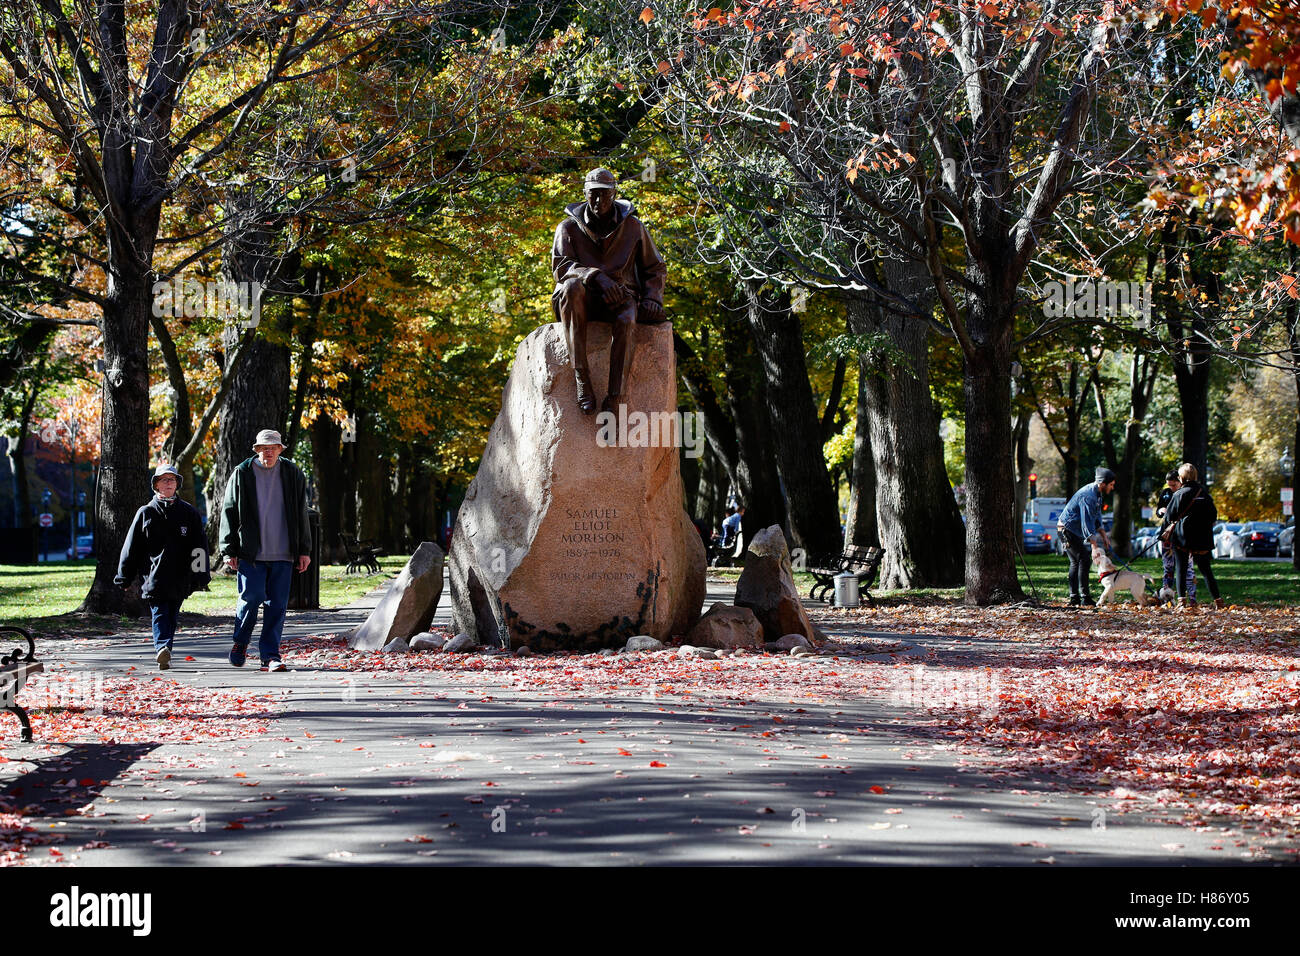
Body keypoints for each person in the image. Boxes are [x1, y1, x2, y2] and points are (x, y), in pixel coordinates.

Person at [552, 167, 667, 415]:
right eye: (593, 194)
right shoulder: (568, 228)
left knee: (627, 317)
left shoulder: (633, 227)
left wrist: (652, 299)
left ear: (614, 194)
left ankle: (615, 397)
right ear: (584, 193)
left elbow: (655, 267)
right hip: (580, 300)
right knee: (571, 286)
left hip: (619, 297)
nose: (598, 200)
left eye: (604, 194)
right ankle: (582, 377)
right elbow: (561, 267)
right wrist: (595, 276)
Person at [219, 429, 312, 672]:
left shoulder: (292, 473)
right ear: (256, 449)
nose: (268, 452)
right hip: (252, 553)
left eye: (273, 447)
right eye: (263, 448)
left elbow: (302, 512)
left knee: (277, 606)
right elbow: (229, 510)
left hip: (283, 552)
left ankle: (270, 656)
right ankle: (240, 642)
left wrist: (304, 549)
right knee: (250, 600)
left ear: (281, 449)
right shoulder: (242, 473)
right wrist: (228, 549)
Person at [115, 464, 211, 670]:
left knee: (172, 615)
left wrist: (201, 575)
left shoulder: (189, 513)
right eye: (164, 480)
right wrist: (124, 577)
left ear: (177, 484)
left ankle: (165, 648)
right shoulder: (146, 512)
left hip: (180, 576)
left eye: (172, 480)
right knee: (159, 612)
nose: (168, 483)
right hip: (153, 576)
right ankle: (162, 648)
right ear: (156, 485)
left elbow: (199, 546)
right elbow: (131, 548)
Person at [1160, 462, 1223, 609]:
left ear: (1181, 477)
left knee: (1181, 568)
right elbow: (1213, 515)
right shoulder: (1204, 494)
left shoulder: (1179, 494)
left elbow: (1169, 517)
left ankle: (1182, 601)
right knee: (1206, 569)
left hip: (1183, 536)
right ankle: (1218, 600)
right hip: (1202, 537)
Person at [1058, 467, 1116, 607]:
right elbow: (1086, 522)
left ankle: (1080, 597)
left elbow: (1096, 516)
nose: (1112, 488)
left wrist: (1103, 535)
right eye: (1111, 485)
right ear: (1103, 483)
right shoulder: (1088, 496)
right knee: (1081, 559)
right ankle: (1079, 597)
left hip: (1075, 531)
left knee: (1081, 560)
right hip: (1066, 530)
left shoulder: (1097, 494)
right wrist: (1094, 546)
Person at [1154, 469, 1195, 600]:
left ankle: (1192, 597)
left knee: (1188, 568)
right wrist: (1161, 510)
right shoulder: (1165, 493)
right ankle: (1166, 596)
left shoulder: (1185, 493)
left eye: (1174, 485)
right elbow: (1158, 509)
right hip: (1167, 534)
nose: (1171, 488)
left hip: (1182, 535)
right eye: (1169, 485)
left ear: (1180, 481)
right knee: (1168, 567)